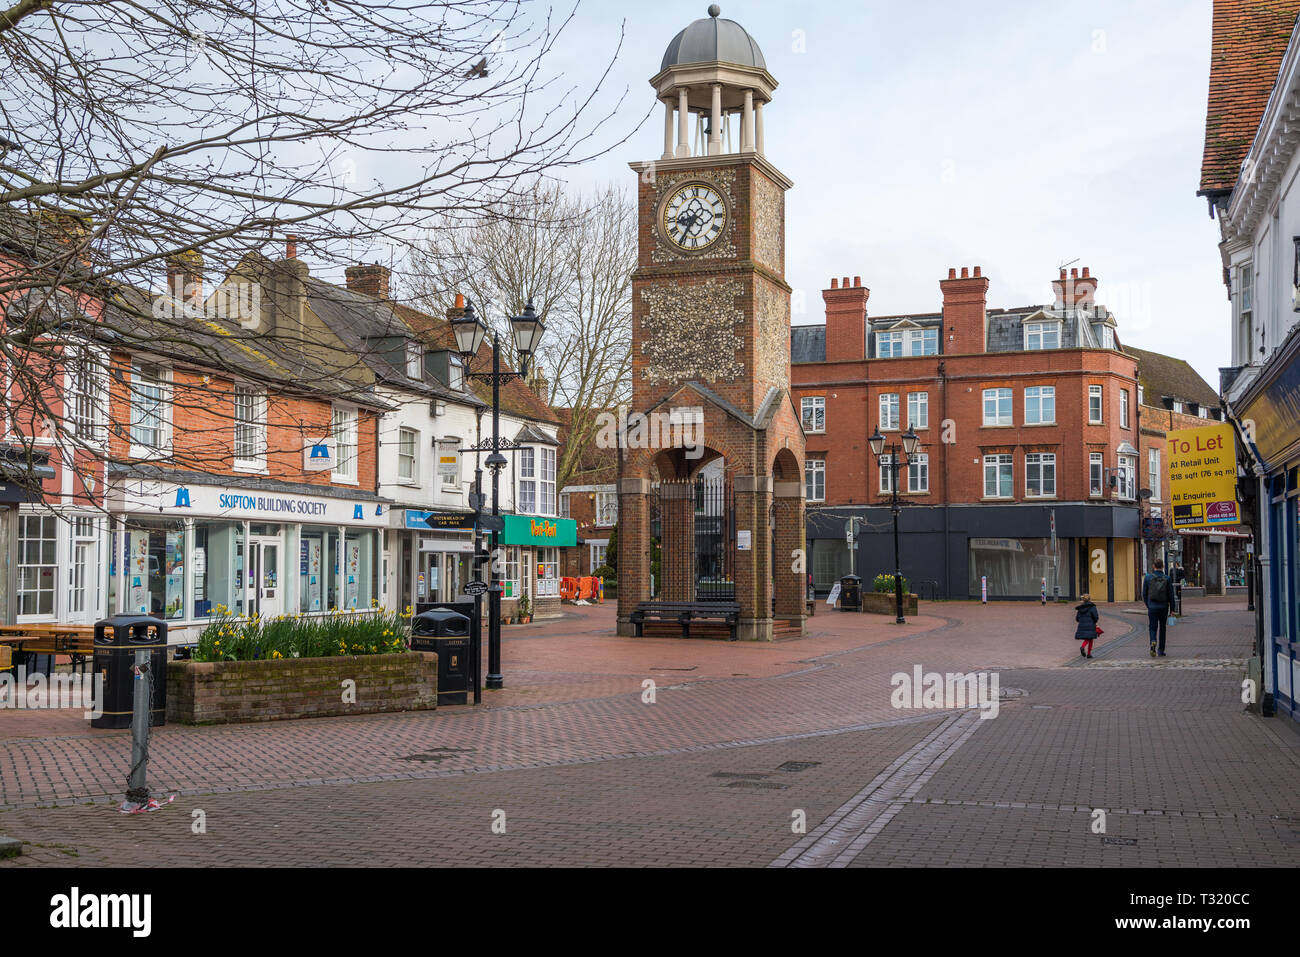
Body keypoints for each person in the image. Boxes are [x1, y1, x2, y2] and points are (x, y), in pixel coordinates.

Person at [1143, 558, 1173, 657]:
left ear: (1153, 566)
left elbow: (1144, 594)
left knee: (1152, 627)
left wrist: (1148, 605)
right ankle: (1161, 650)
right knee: (1162, 628)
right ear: (1163, 566)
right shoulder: (1167, 578)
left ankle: (1153, 641)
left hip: (1152, 607)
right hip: (1163, 607)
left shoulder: (1148, 578)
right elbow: (1171, 595)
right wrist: (1172, 609)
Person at [1074, 592, 1100, 659]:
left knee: (1089, 638)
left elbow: (1077, 618)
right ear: (1089, 599)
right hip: (1091, 624)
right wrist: (1095, 621)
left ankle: (1089, 654)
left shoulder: (1080, 608)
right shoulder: (1092, 607)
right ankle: (1083, 647)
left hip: (1082, 625)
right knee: (1089, 638)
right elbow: (1095, 616)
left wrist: (1082, 621)